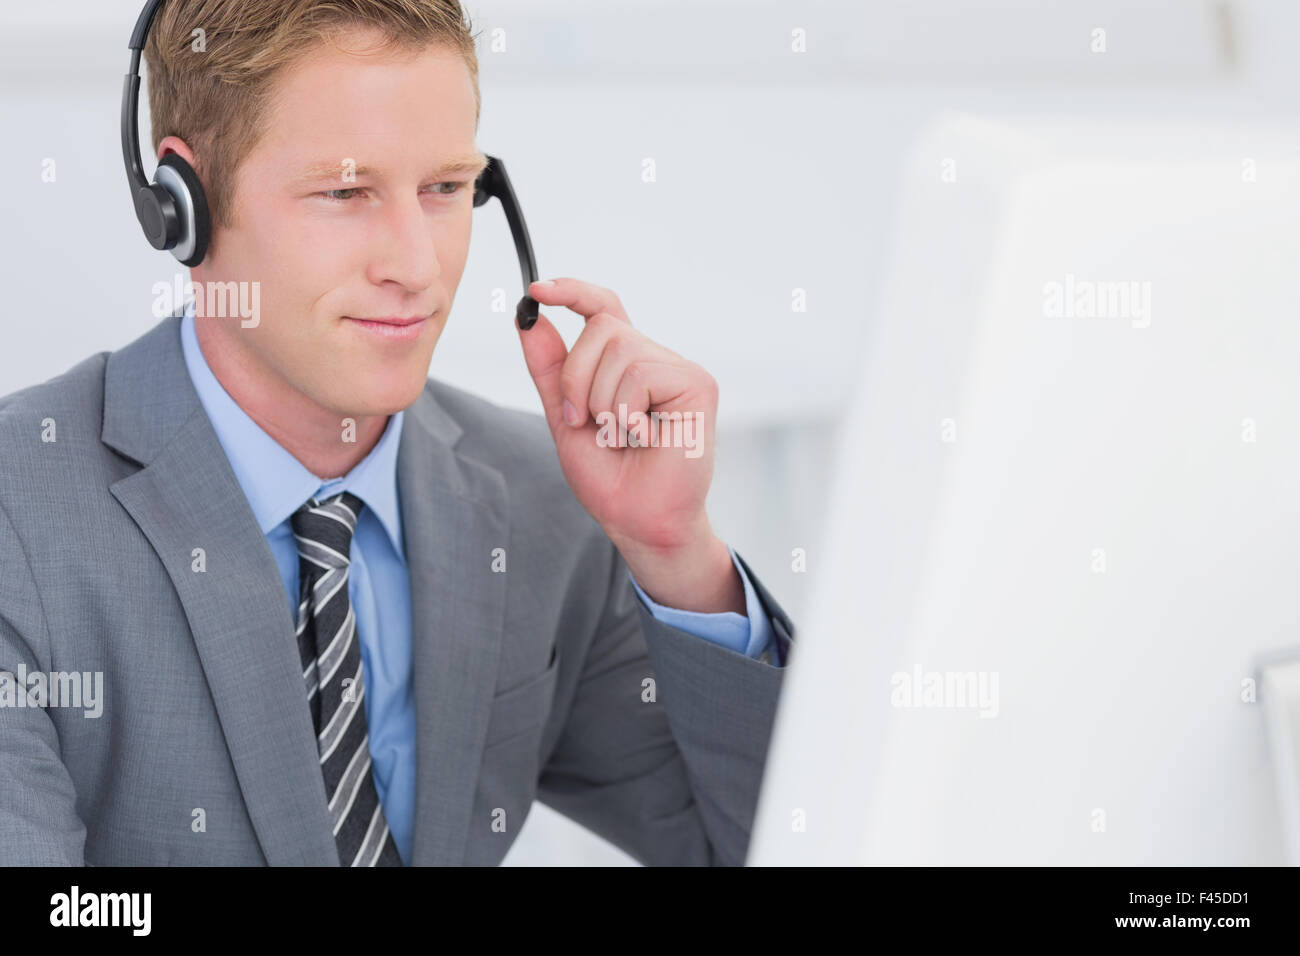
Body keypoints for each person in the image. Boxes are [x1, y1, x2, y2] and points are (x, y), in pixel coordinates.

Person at [0, 0, 794, 866]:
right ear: (179, 205)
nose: (417, 266)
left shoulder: (545, 504)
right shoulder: (22, 518)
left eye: (446, 189)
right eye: (345, 193)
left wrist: (676, 554)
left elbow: (790, 842)